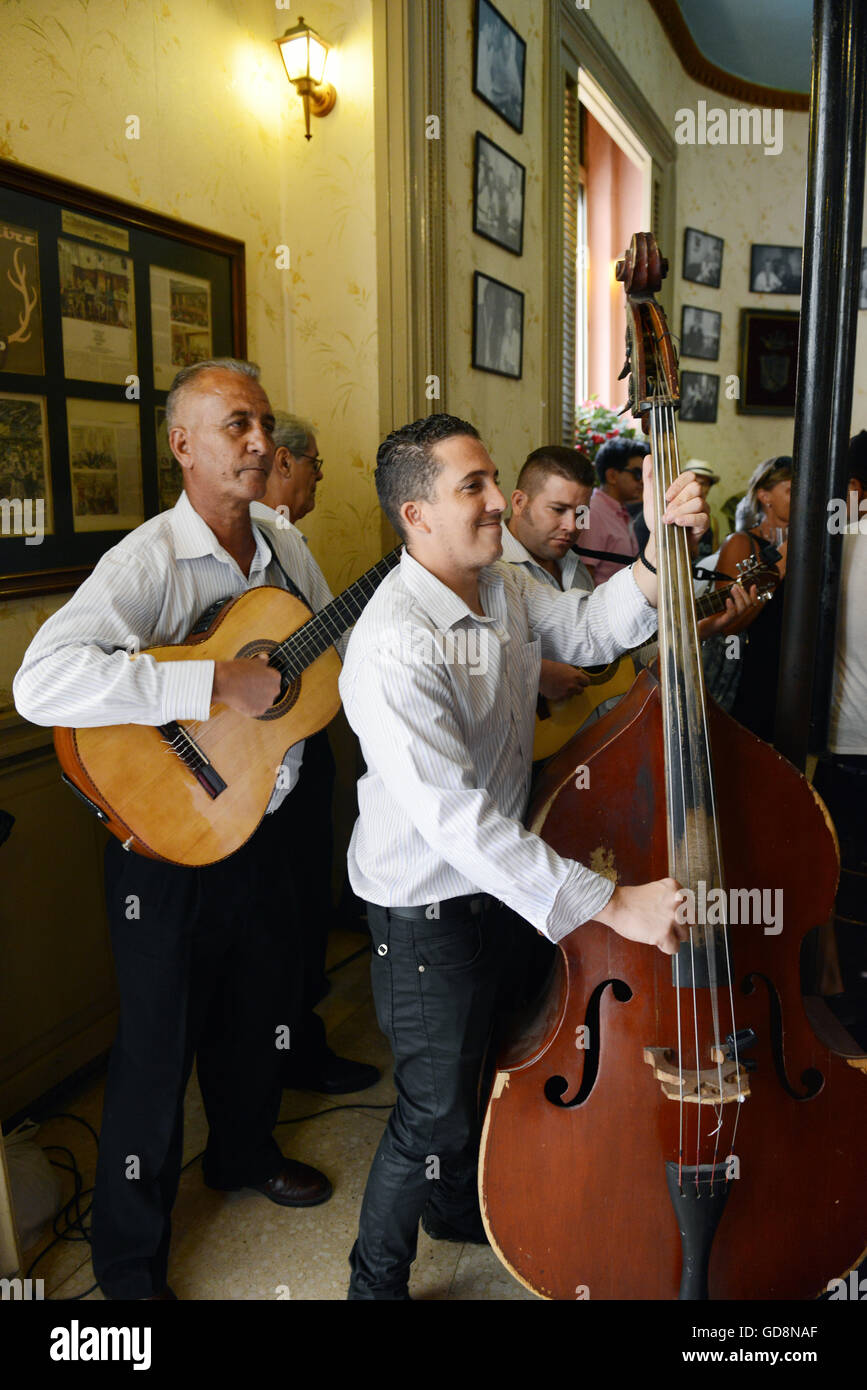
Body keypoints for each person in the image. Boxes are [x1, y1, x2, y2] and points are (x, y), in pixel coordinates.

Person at [338, 412, 710, 1300]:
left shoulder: (501, 583)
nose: (498, 500)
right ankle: (372, 1282)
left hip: (498, 889)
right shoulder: (392, 642)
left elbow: (585, 630)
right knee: (430, 1114)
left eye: (493, 478)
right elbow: (456, 822)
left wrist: (658, 556)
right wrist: (613, 904)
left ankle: (455, 1210)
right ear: (414, 513)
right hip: (424, 903)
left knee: (493, 1063)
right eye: (471, 485)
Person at [13, 359, 334, 1300]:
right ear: (182, 445)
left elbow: (314, 649)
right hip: (165, 845)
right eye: (234, 424)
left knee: (261, 1012)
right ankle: (128, 1265)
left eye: (264, 422)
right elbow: (42, 682)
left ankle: (240, 1154)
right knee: (156, 1052)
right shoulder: (146, 559)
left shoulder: (281, 544)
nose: (259, 441)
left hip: (261, 825)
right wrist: (211, 681)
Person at [250, 411, 380, 1096]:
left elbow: (332, 635)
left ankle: (302, 1045)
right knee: (283, 917)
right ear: (285, 464)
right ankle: (287, 1055)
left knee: (303, 911)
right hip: (255, 761)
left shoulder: (289, 544)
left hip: (302, 744)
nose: (321, 477)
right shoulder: (235, 542)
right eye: (316, 464)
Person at [702, 455, 792, 741]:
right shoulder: (742, 543)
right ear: (765, 496)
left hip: (789, 670)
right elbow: (727, 624)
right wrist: (780, 567)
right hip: (748, 670)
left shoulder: (811, 545)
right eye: (791, 490)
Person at [502, 445, 594, 708]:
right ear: (520, 503)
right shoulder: (487, 566)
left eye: (580, 513)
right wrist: (535, 673)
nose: (572, 526)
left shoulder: (575, 564)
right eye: (557, 509)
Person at [581, 436, 648, 584]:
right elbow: (584, 574)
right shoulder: (592, 512)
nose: (642, 481)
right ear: (612, 476)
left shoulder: (620, 511)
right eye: (637, 474)